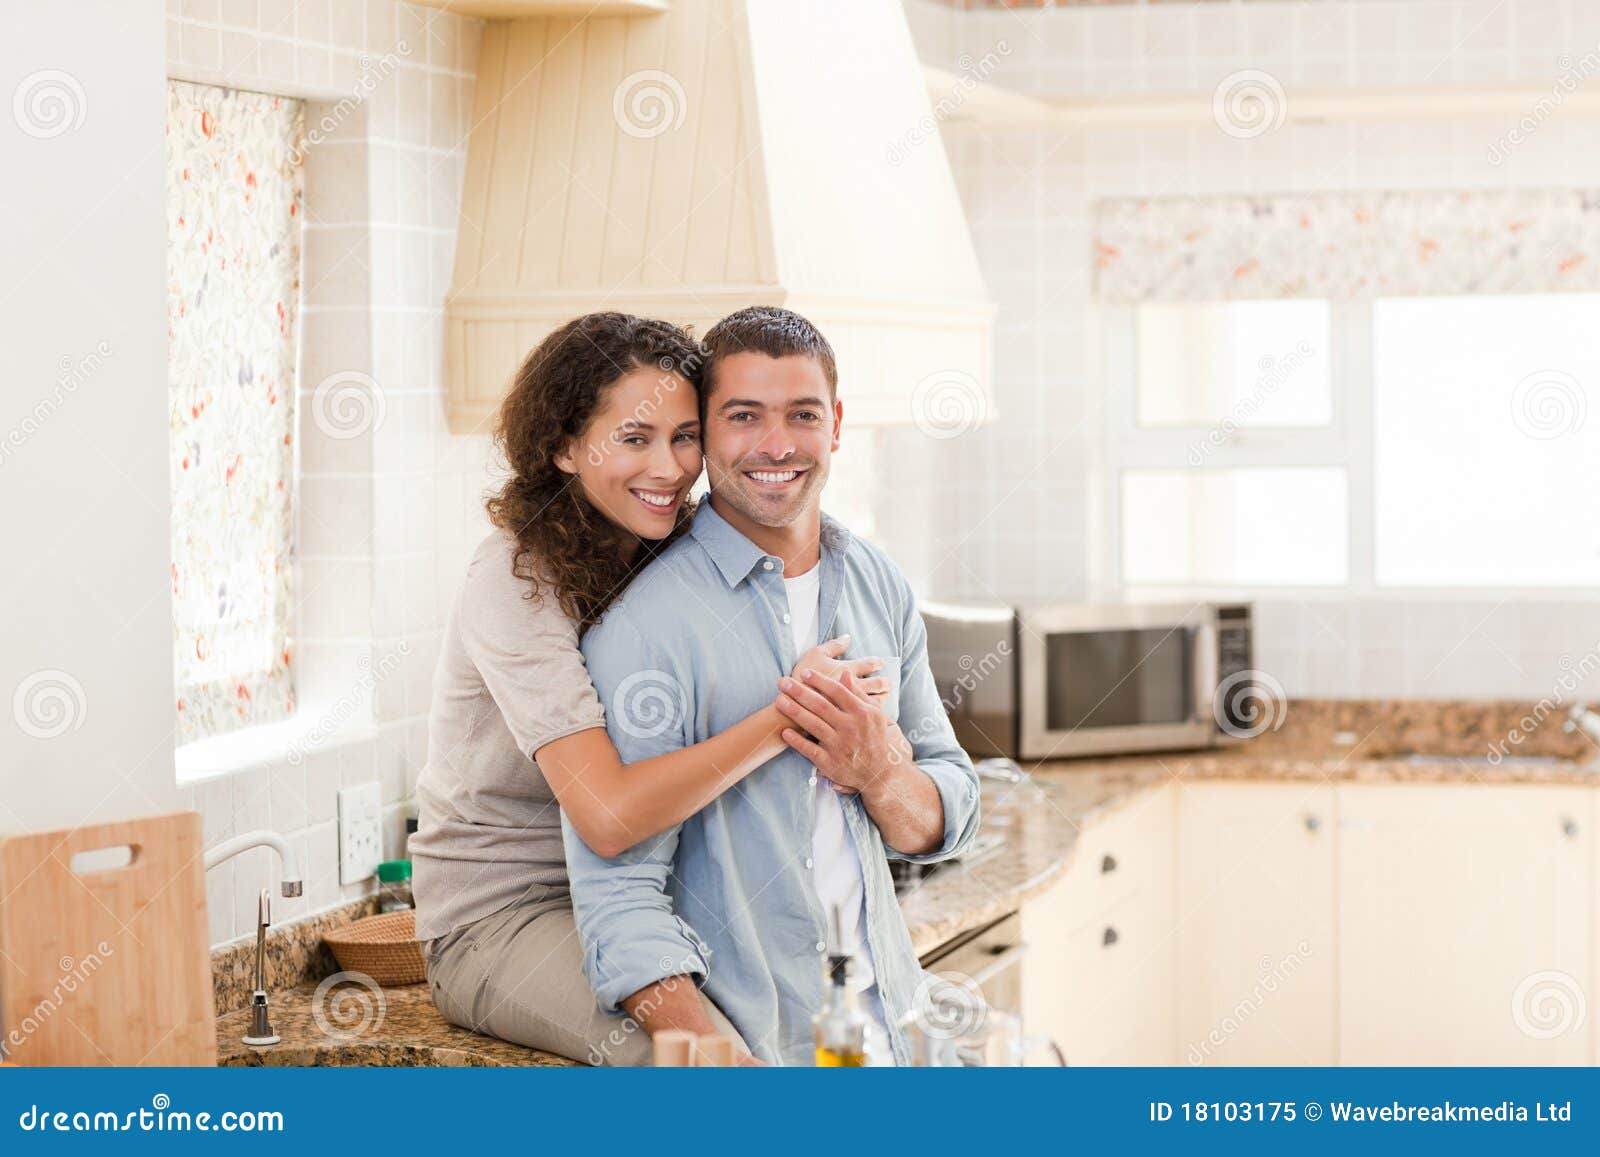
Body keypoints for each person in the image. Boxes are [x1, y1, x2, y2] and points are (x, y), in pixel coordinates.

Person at [411, 312, 890, 1066]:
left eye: (683, 436)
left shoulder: (659, 543)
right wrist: (788, 716)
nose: (667, 467)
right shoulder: (514, 579)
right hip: (511, 913)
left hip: (648, 895)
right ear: (565, 447)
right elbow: (606, 816)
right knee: (702, 1060)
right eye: (633, 439)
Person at [563, 306, 981, 1066]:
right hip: (769, 1051)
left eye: (802, 415)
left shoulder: (876, 581)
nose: (777, 445)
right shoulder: (645, 626)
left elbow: (948, 809)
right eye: (744, 416)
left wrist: (884, 775)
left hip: (901, 1040)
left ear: (837, 425)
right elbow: (619, 901)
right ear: (706, 434)